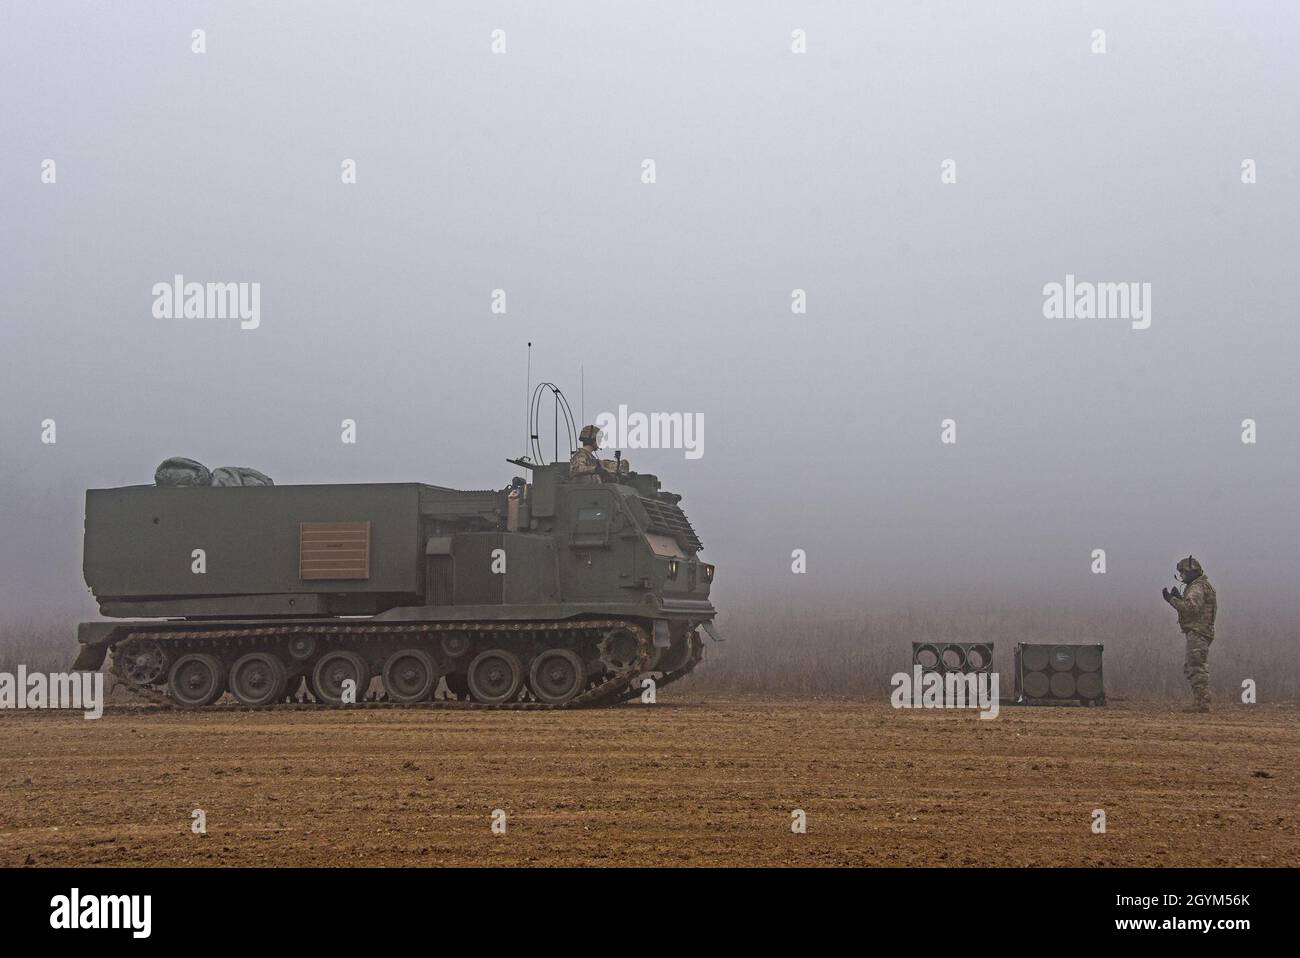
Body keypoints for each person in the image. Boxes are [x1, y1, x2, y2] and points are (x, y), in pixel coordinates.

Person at [1162, 555, 1217, 712]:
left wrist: (1173, 600)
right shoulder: (1202, 586)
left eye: (1183, 573)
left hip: (1198, 631)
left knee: (1196, 667)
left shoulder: (1197, 587)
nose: (1181, 577)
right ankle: (1201, 701)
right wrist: (1180, 599)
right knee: (1192, 666)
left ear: (1191, 572)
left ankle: (1202, 703)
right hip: (1202, 631)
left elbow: (1191, 608)